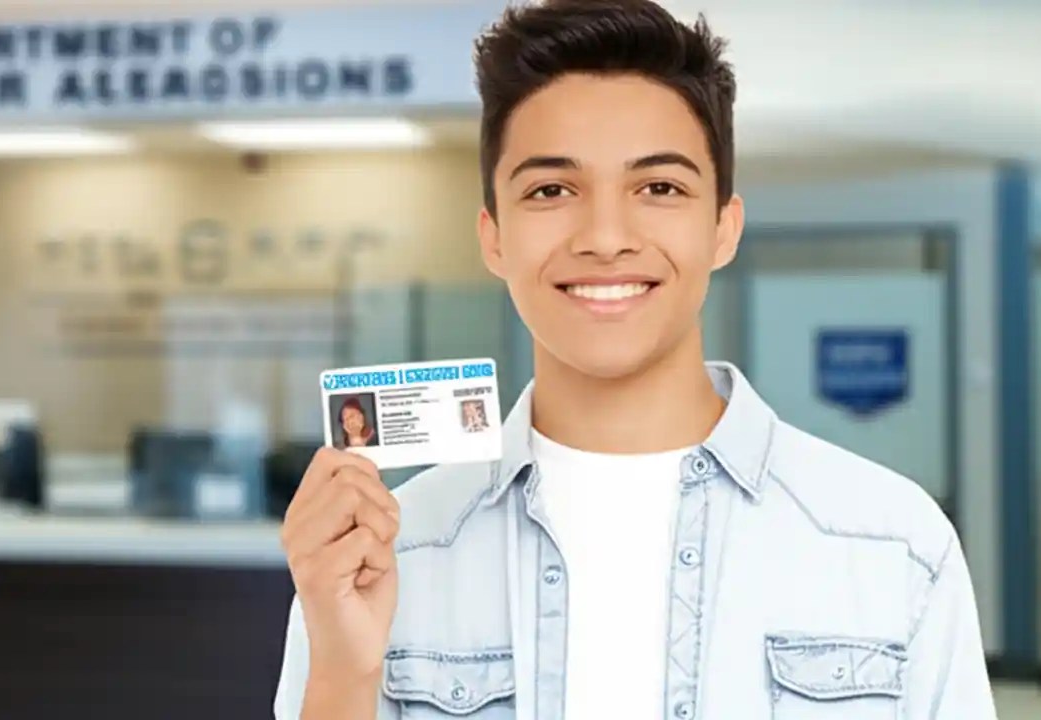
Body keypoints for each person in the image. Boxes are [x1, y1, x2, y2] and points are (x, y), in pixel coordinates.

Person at [275, 1, 997, 718]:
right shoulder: (395, 550)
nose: (606, 236)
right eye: (551, 190)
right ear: (494, 237)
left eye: (659, 188)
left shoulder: (893, 543)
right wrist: (342, 675)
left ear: (723, 228)